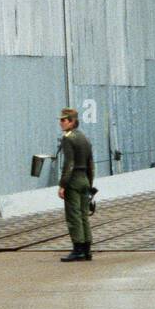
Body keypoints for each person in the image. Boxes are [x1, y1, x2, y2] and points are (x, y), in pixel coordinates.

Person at [57, 108, 94, 262]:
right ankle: (86, 249)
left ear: (72, 121)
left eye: (64, 120)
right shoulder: (84, 138)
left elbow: (69, 163)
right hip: (85, 179)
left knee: (74, 215)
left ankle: (78, 248)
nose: (61, 123)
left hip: (73, 180)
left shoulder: (68, 138)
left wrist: (62, 184)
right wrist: (90, 183)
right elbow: (91, 164)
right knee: (84, 215)